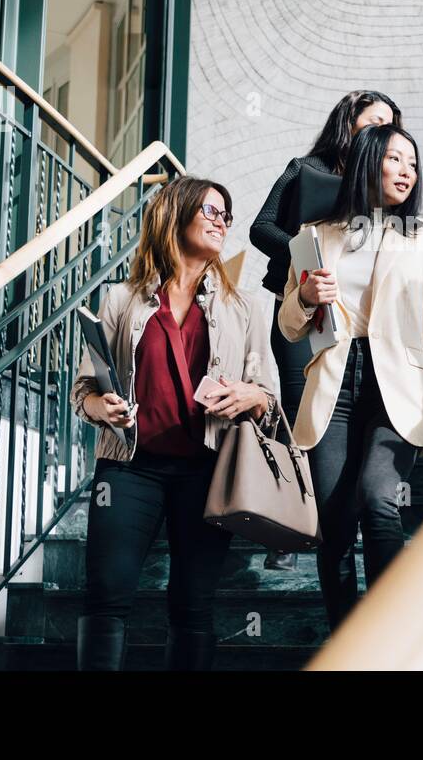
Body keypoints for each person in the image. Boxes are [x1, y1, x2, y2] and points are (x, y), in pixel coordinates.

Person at [69, 176, 280, 671]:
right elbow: (84, 392)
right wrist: (106, 408)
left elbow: (269, 399)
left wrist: (249, 395)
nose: (221, 222)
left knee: (193, 604)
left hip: (208, 472)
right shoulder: (123, 300)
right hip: (129, 468)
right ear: (176, 214)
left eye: (226, 215)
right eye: (210, 210)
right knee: (107, 595)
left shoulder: (243, 307)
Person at [277, 123, 423, 629]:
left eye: (413, 162)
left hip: (398, 389)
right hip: (335, 388)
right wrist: (304, 298)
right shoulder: (314, 235)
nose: (408, 171)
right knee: (335, 526)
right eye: (395, 159)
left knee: (380, 499)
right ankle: (346, 639)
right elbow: (290, 327)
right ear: (367, 160)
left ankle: (387, 637)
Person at [249, 90, 399, 571]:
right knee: (303, 417)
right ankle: (291, 527)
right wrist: (306, 250)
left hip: (358, 331)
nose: (381, 133)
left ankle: (339, 518)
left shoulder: (381, 183)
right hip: (300, 311)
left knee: (346, 427)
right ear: (348, 121)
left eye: (390, 126)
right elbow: (260, 228)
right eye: (374, 122)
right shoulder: (306, 168)